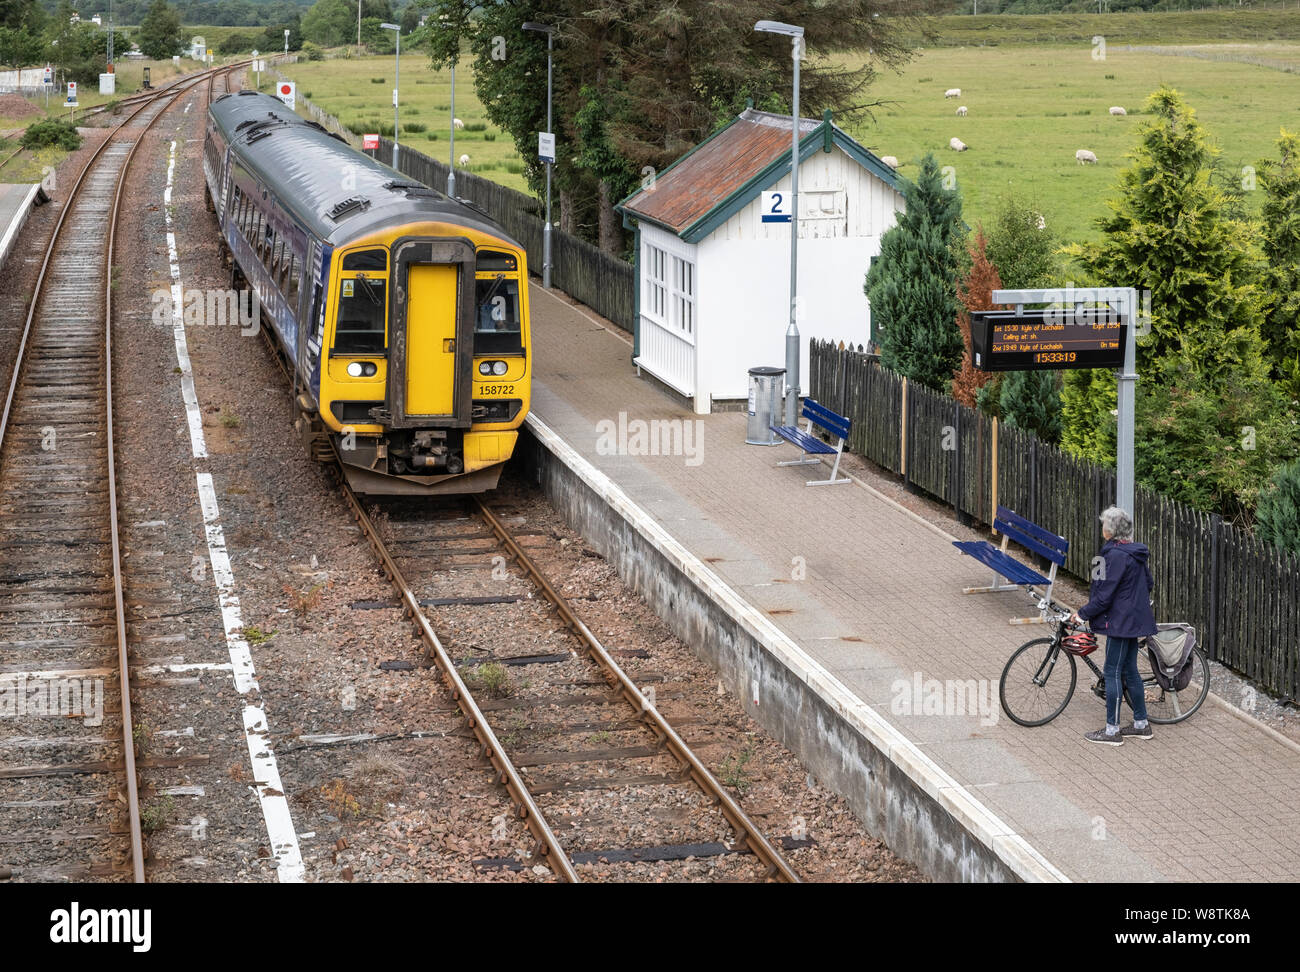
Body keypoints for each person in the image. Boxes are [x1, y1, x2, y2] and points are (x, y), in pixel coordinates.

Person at [1070, 506, 1157, 746]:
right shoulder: (1133, 552)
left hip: (1121, 622)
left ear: (1110, 530)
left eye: (1104, 525)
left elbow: (1103, 594)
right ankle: (1141, 724)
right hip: (1133, 620)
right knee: (1130, 670)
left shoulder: (1115, 556)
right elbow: (1148, 583)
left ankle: (1112, 731)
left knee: (1112, 672)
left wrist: (1082, 614)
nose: (1102, 529)